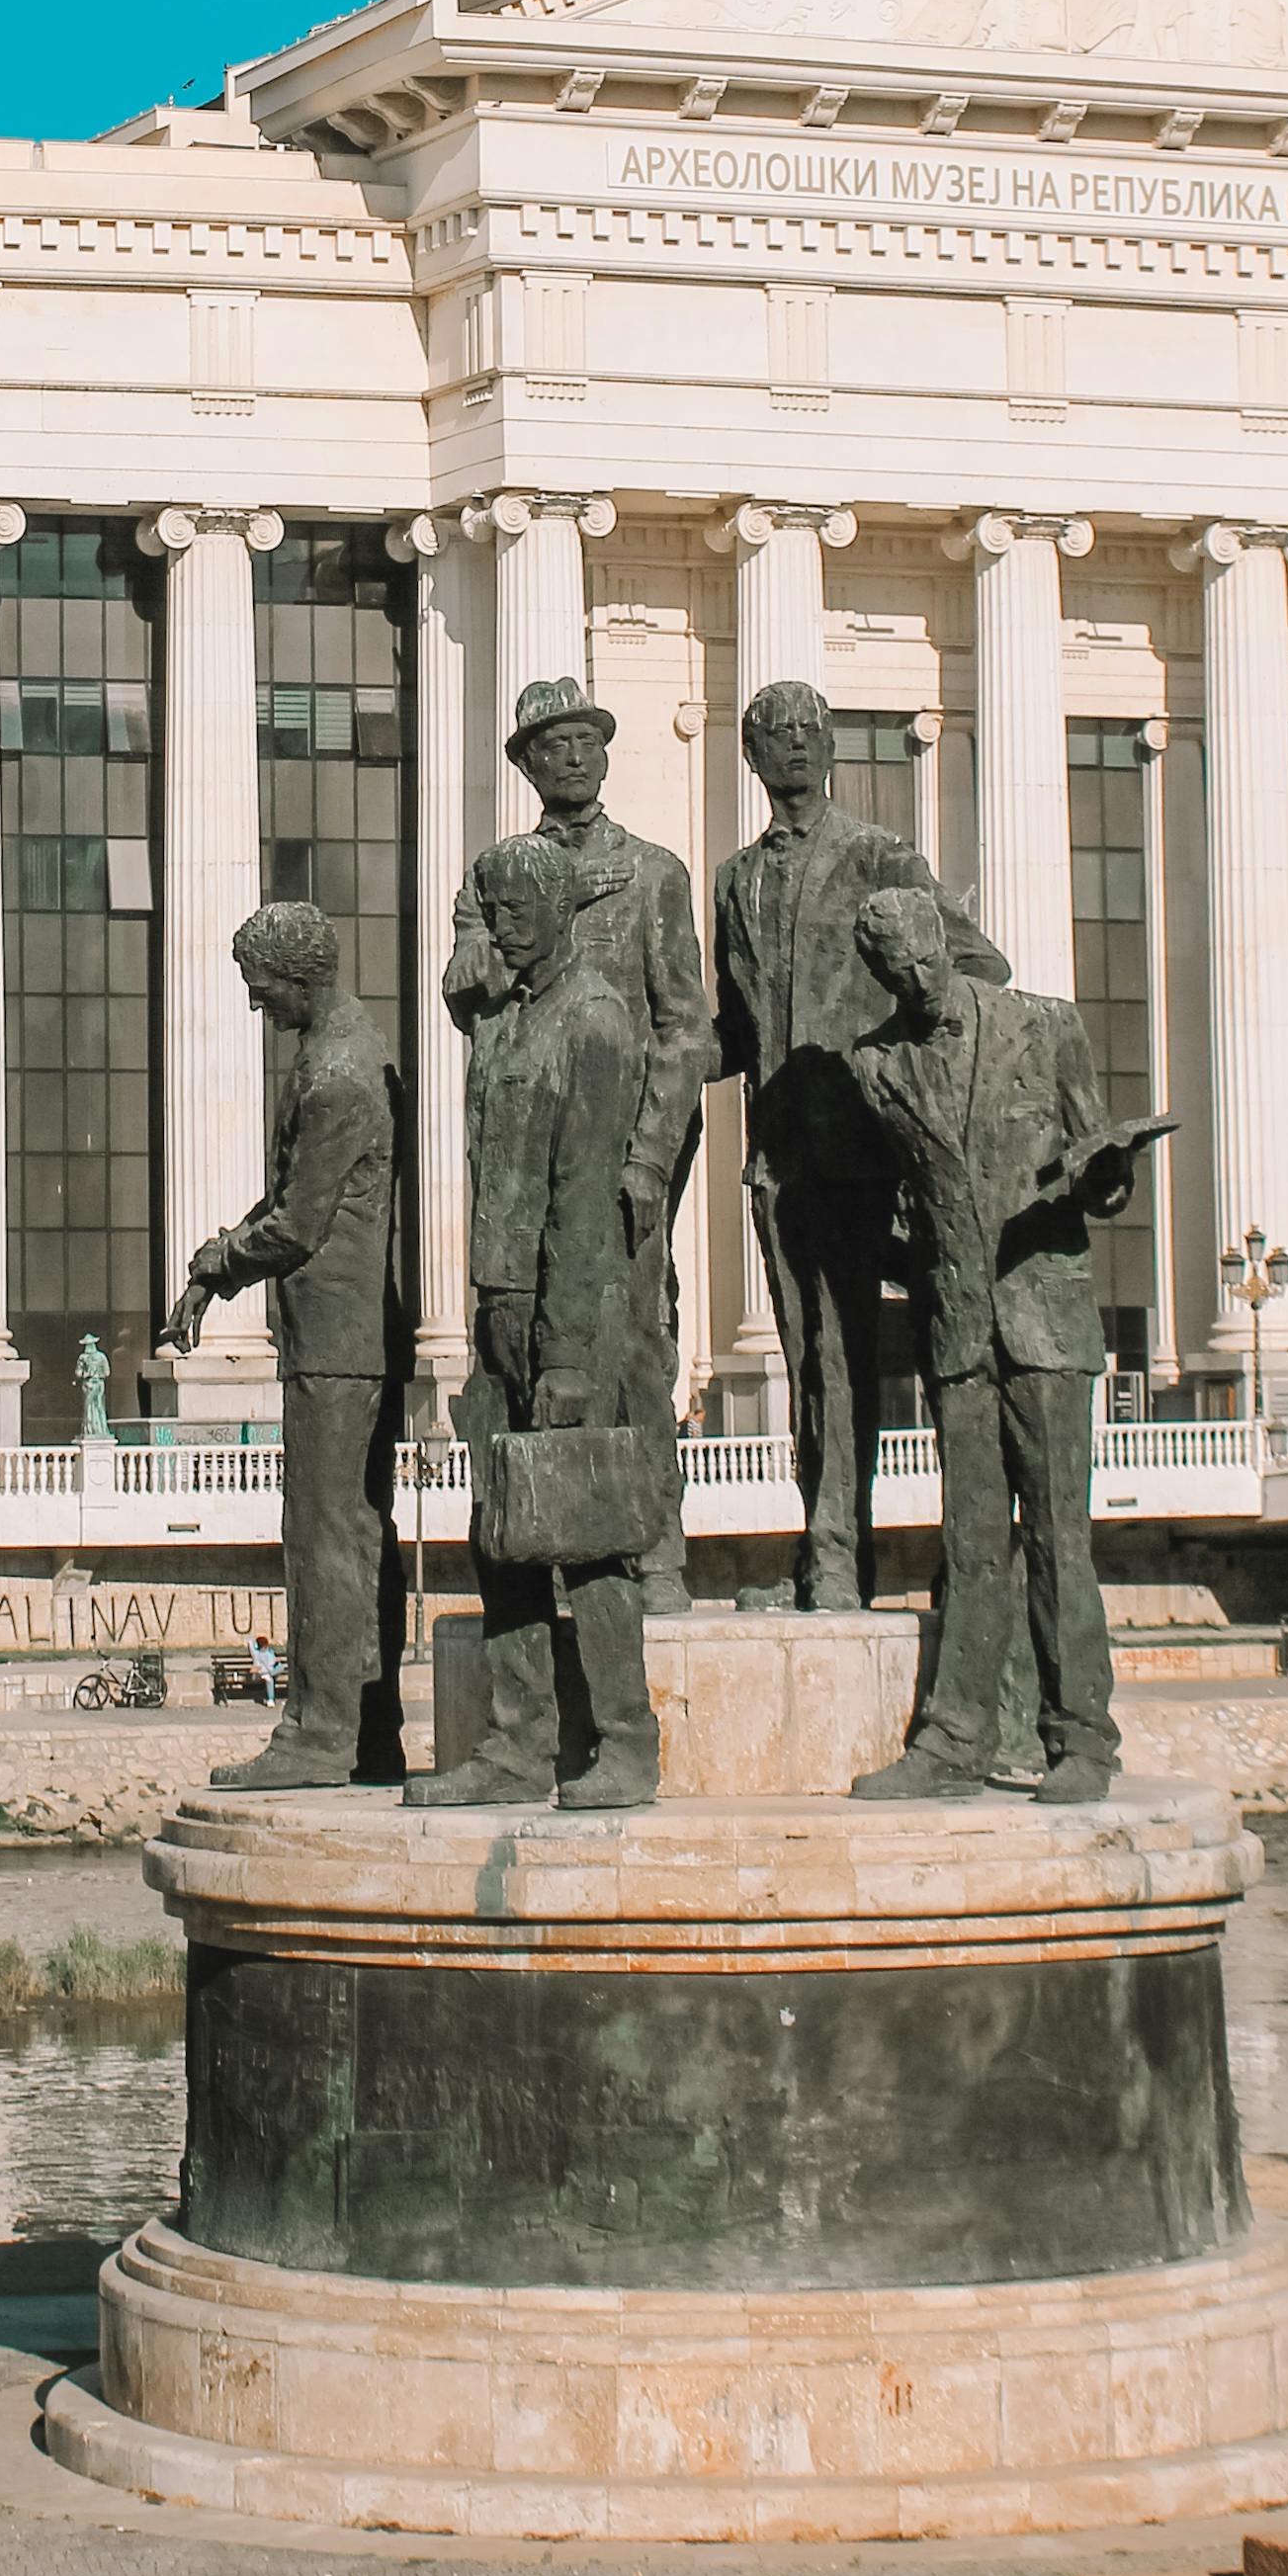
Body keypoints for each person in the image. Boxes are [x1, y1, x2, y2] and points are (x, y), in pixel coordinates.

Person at [709, 679, 1008, 1612]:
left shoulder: (882, 856)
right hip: (781, 1155)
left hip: (873, 1151)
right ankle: (829, 1545)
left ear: (831, 746)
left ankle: (858, 1554)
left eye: (810, 730)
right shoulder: (737, 879)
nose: (794, 745)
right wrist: (650, 1047)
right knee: (809, 1359)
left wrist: (893, 1063)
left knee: (878, 1354)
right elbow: (736, 1024)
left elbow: (976, 971)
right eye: (774, 733)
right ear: (751, 756)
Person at [840, 887, 1142, 1808]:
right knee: (971, 1541)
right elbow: (897, 1203)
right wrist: (911, 1253)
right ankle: (955, 1740)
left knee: (1059, 1539)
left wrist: (1105, 1177)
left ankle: (1081, 1739)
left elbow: (1103, 1170)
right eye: (898, 974)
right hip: (959, 1325)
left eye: (927, 961)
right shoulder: (876, 1066)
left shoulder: (1047, 1027)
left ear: (947, 944)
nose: (918, 982)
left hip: (1047, 1318)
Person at [411, 829, 673, 1811]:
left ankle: (622, 1743)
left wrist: (566, 1353)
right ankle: (517, 1744)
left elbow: (580, 1194)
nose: (499, 927)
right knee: (503, 1528)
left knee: (587, 1530)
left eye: (513, 911)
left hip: (568, 1315)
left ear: (558, 908)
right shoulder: (508, 1021)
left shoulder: (594, 1020)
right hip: (496, 1305)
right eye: (491, 910)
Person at [443, 676, 712, 1605]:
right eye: (550, 744)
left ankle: (656, 1546)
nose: (571, 757)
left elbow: (688, 1028)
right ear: (524, 761)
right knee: (516, 1348)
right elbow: (462, 985)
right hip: (521, 1150)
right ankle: (546, 1551)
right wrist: (511, 928)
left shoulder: (654, 873)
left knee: (636, 1343)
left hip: (622, 1148)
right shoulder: (495, 876)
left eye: (585, 741)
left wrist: (650, 1152)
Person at [159, 901, 407, 1787]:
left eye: (262, 992)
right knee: (355, 1532)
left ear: (300, 979)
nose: (257, 1007)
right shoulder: (352, 1046)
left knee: (322, 1535)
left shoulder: (336, 1073)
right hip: (348, 1334)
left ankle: (319, 1735)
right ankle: (369, 1734)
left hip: (337, 1339)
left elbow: (299, 1223)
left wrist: (217, 1259)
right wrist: (215, 1274)